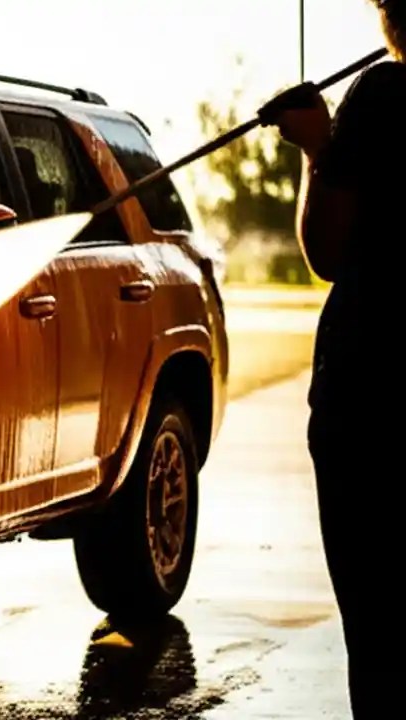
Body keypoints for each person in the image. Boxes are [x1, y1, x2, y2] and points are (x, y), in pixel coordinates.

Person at [262, 1, 406, 715]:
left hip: (373, 402)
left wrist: (317, 145)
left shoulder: (383, 97)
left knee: (383, 636)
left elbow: (327, 248)